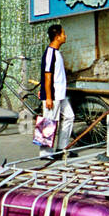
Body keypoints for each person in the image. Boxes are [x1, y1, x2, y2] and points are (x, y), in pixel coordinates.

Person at [39, 23, 73, 158]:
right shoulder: (50, 53)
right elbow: (47, 76)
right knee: (49, 121)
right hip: (52, 95)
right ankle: (45, 153)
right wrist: (47, 97)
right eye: (63, 34)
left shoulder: (57, 53)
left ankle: (61, 148)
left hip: (60, 94)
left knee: (69, 117)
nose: (65, 36)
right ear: (57, 36)